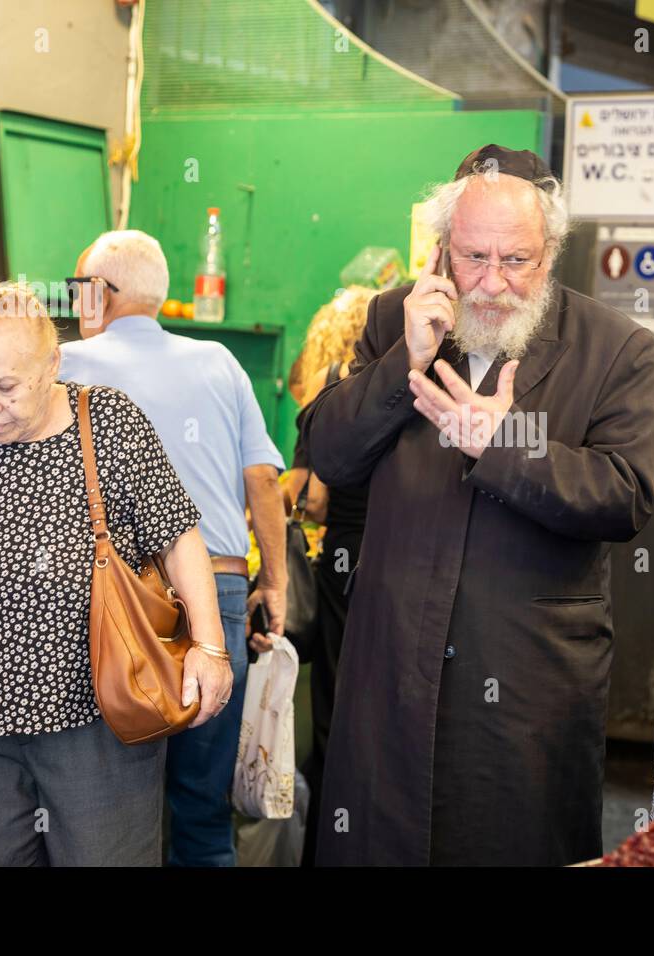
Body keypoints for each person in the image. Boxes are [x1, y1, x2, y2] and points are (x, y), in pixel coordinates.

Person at [302, 144, 654, 866]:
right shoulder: (391, 320)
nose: (493, 284)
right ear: (441, 252)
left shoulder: (617, 349)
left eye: (517, 261)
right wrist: (400, 362)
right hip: (390, 667)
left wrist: (502, 446)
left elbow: (625, 498)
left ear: (551, 251)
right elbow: (328, 455)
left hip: (525, 682)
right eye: (473, 258)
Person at [0, 280, 232, 866]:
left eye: (6, 386)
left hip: (99, 723)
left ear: (52, 362)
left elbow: (179, 537)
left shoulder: (109, 424)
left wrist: (211, 647)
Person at [59, 230, 288, 867]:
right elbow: (263, 480)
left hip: (123, 603)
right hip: (220, 590)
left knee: (115, 796)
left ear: (101, 294)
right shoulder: (221, 362)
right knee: (201, 801)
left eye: (79, 287)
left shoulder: (68, 367)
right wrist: (276, 582)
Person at [285, 285, 375, 867]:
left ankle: (326, 847)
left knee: (334, 716)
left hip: (342, 566)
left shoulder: (331, 388)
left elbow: (308, 499)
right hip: (396, 561)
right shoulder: (404, 387)